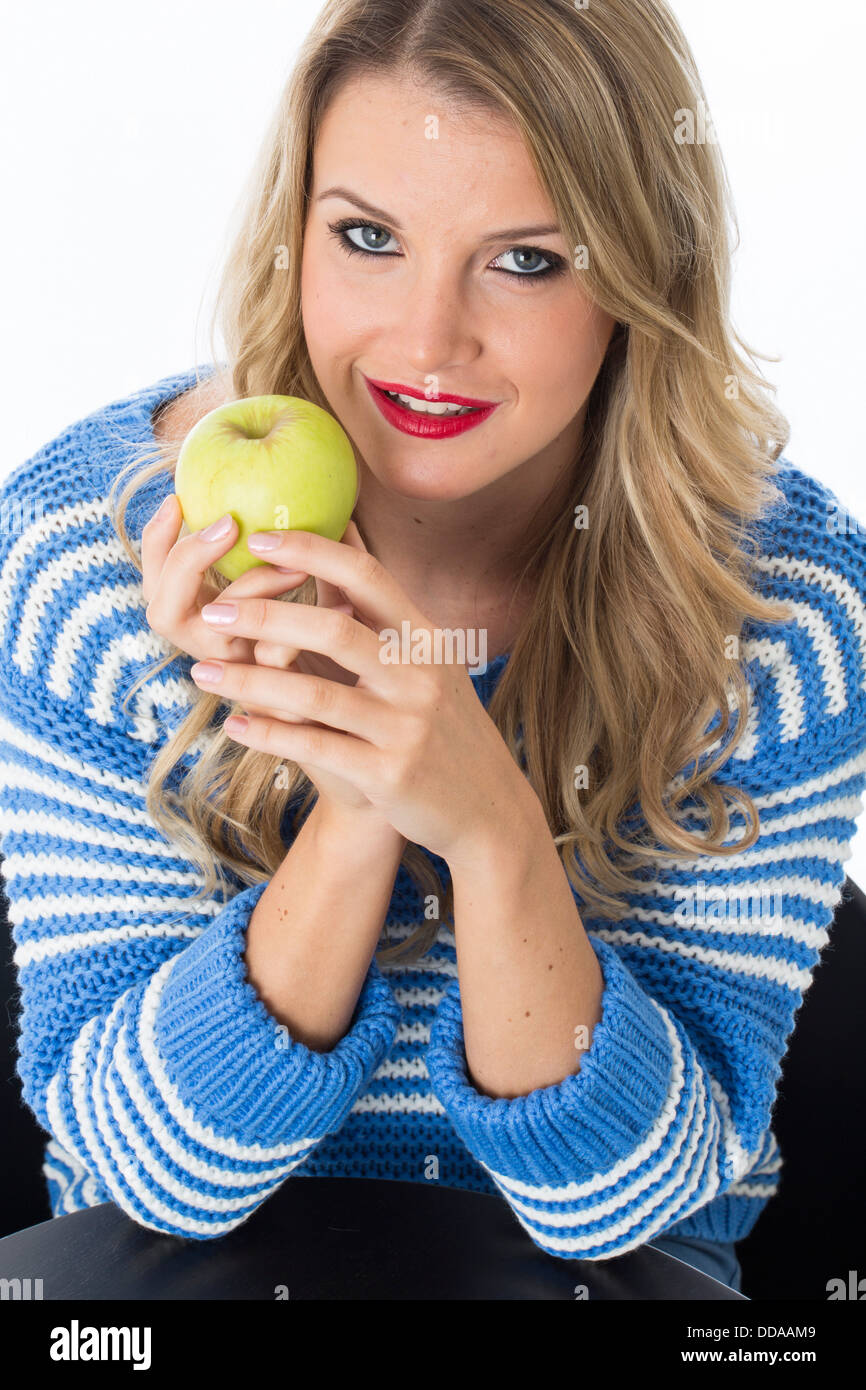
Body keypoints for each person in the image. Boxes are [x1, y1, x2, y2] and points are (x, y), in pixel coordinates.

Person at [1, 0, 864, 1300]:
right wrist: (353, 803)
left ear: (641, 270)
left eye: (523, 261)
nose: (422, 342)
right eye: (366, 238)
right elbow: (150, 1182)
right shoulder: (92, 552)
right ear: (294, 232)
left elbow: (633, 1203)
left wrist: (490, 837)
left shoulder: (778, 606)